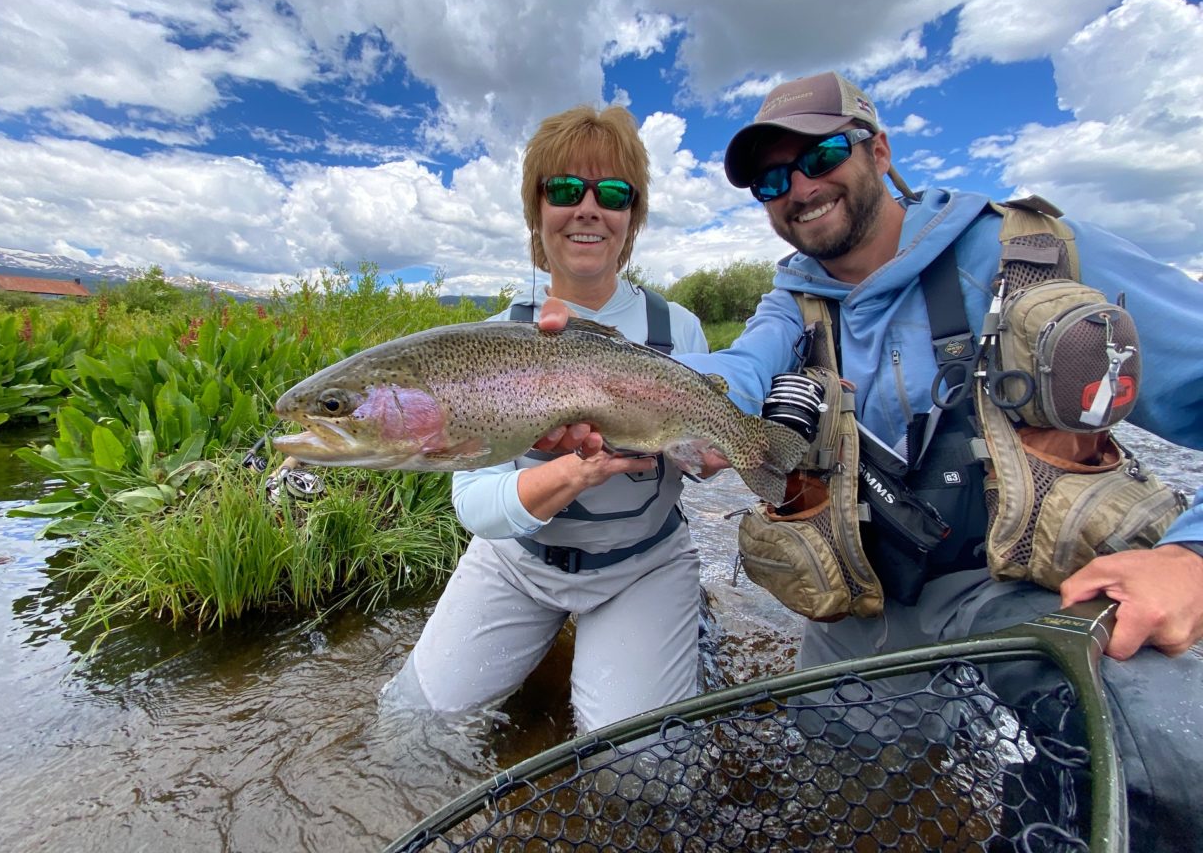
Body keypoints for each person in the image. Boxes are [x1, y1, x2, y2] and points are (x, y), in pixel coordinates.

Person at [537, 72, 1203, 850]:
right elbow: (737, 373)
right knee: (841, 799)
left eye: (820, 155)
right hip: (870, 605)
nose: (799, 187)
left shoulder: (1030, 257)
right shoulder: (793, 300)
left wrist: (1190, 556)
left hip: (1039, 591)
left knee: (1174, 752)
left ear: (879, 151)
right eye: (772, 179)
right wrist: (612, 388)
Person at [381, 104, 709, 734]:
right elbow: (476, 506)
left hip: (644, 562)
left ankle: (682, 618)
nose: (588, 207)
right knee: (412, 726)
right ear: (536, 210)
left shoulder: (680, 331)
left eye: (612, 192)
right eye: (564, 189)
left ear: (631, 217)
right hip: (519, 562)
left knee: (635, 767)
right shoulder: (490, 342)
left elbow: (708, 470)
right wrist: (577, 473)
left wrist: (717, 448)